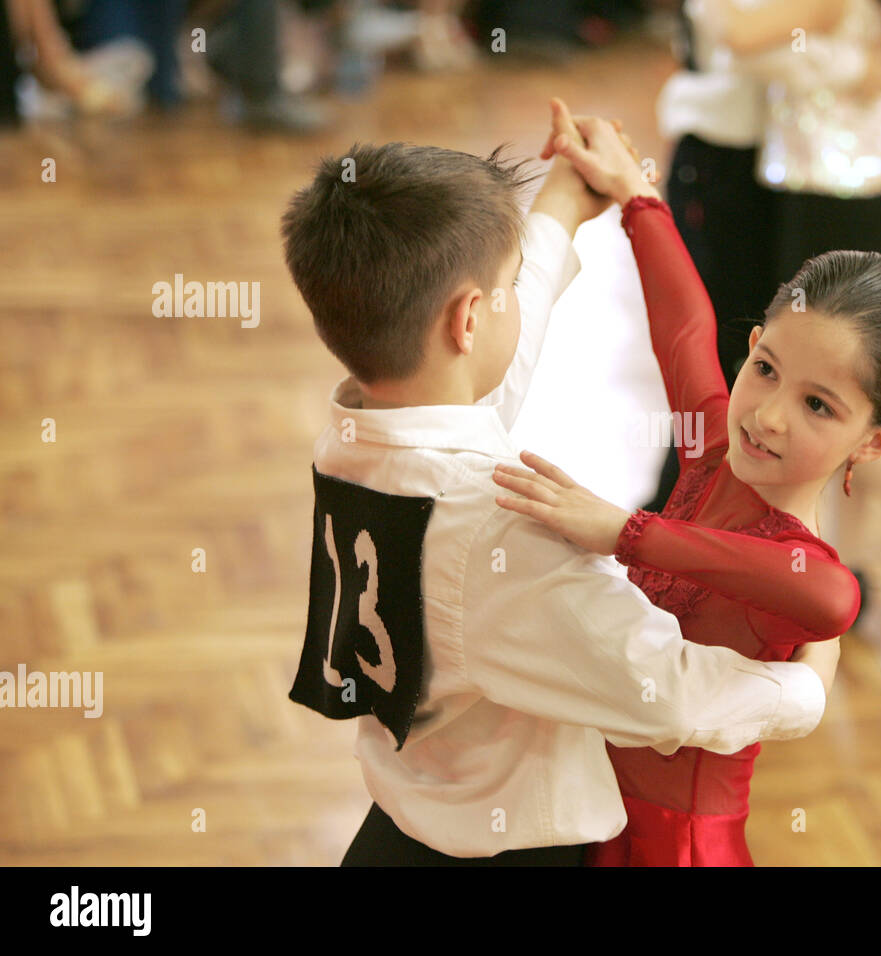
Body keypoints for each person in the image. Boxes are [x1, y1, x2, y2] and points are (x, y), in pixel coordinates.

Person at [280, 101, 837, 866]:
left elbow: (478, 377)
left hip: (397, 831)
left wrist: (563, 209)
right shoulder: (504, 533)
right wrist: (802, 691)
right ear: (470, 319)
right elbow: (663, 690)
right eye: (509, 285)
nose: (522, 295)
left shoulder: (356, 431)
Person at [493, 100, 881, 866]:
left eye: (817, 406)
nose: (767, 416)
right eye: (764, 369)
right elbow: (685, 329)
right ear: (756, 343)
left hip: (679, 848)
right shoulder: (710, 447)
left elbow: (834, 601)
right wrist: (635, 195)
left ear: (877, 441)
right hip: (581, 807)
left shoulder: (806, 566)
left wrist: (624, 533)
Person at [656, 0, 881, 641]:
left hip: (841, 203)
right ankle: (854, 571)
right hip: (845, 192)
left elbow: (737, 31)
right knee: (844, 404)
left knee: (844, 411)